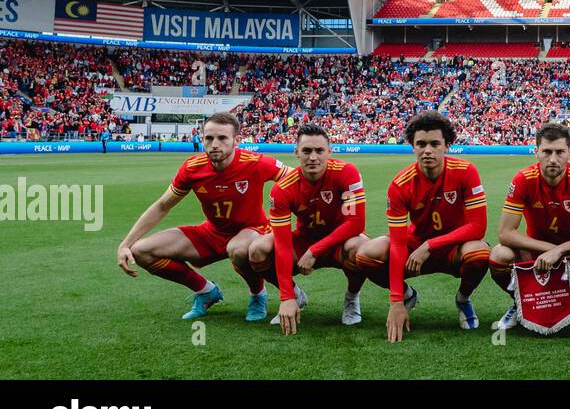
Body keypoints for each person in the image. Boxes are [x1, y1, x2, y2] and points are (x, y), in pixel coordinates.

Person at [116, 111, 287, 321]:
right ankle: (206, 291)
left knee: (240, 250)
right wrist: (125, 244)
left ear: (236, 140)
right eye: (209, 138)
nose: (215, 144)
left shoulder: (257, 162)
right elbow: (162, 206)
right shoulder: (192, 168)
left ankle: (257, 294)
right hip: (213, 232)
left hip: (253, 232)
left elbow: (297, 179)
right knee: (141, 251)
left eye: (222, 138)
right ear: (202, 139)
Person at [352, 111, 490, 342]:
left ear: (447, 146)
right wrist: (396, 299)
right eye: (421, 144)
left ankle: (463, 299)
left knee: (479, 252)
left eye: (435, 144)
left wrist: (430, 245)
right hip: (414, 247)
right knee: (366, 254)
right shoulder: (400, 184)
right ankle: (408, 296)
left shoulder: (466, 171)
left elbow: (478, 227)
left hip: (452, 247)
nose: (428, 150)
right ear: (412, 147)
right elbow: (396, 243)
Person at [246, 122, 369, 334]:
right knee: (257, 250)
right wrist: (286, 297)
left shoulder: (346, 172)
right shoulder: (282, 189)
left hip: (341, 239)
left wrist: (315, 250)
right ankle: (295, 295)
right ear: (296, 152)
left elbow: (356, 224)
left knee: (362, 247)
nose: (313, 157)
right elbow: (283, 244)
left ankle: (351, 298)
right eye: (307, 151)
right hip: (305, 240)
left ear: (329, 152)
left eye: (319, 151)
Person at [488, 121, 570, 331]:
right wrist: (549, 251)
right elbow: (504, 234)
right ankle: (520, 303)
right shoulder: (523, 179)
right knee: (499, 255)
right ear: (536, 152)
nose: (553, 159)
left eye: (559, 152)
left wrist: (560, 251)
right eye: (546, 152)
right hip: (535, 256)